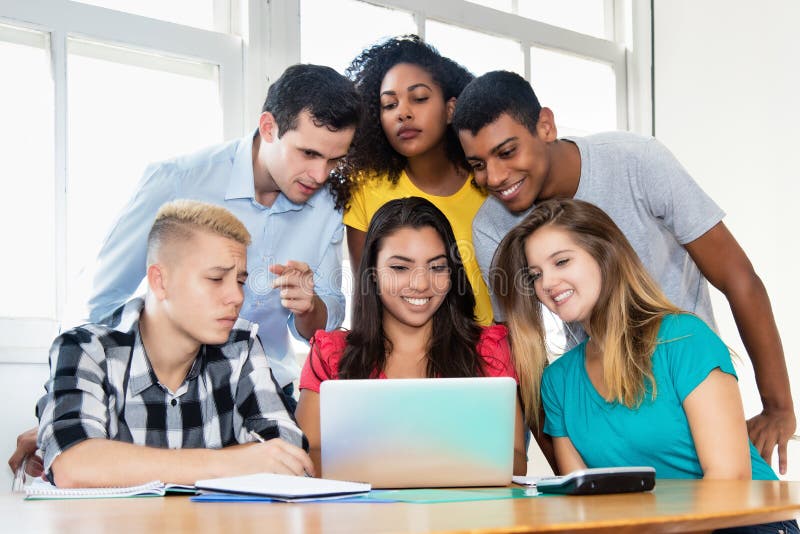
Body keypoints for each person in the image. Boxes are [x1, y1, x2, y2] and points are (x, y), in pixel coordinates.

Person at [8, 63, 361, 478]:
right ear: (268, 127)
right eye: (309, 154)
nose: (320, 176)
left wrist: (309, 307)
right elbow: (103, 304)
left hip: (260, 386)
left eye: (334, 161)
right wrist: (77, 409)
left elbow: (328, 317)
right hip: (148, 392)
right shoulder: (177, 180)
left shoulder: (328, 207)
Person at [452, 70, 795, 473]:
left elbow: (737, 276)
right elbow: (520, 348)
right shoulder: (493, 225)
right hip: (603, 398)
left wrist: (779, 406)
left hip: (686, 378)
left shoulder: (636, 161)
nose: (494, 177)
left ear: (545, 126)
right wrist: (573, 473)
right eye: (478, 164)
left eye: (507, 152)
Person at [493, 198, 798, 534]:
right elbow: (584, 502)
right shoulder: (557, 382)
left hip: (744, 524)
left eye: (562, 261)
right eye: (536, 275)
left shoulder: (683, 337)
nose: (547, 283)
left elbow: (729, 481)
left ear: (605, 256)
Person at [35, 200, 313, 487]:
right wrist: (230, 462)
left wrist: (118, 460)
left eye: (240, 281)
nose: (237, 297)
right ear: (160, 281)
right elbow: (75, 465)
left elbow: (288, 455)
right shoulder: (86, 350)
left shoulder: (240, 346)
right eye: (216, 278)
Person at [294, 197, 527, 475]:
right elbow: (308, 457)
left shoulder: (489, 349)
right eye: (400, 268)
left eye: (437, 267)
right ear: (373, 274)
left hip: (465, 514)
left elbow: (515, 461)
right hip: (360, 515)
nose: (420, 284)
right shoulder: (331, 354)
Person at [338, 35, 494, 325]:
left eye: (419, 98)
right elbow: (367, 297)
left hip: (489, 357)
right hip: (401, 362)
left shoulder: (489, 182)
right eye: (389, 105)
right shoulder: (366, 189)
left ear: (451, 109)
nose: (403, 113)